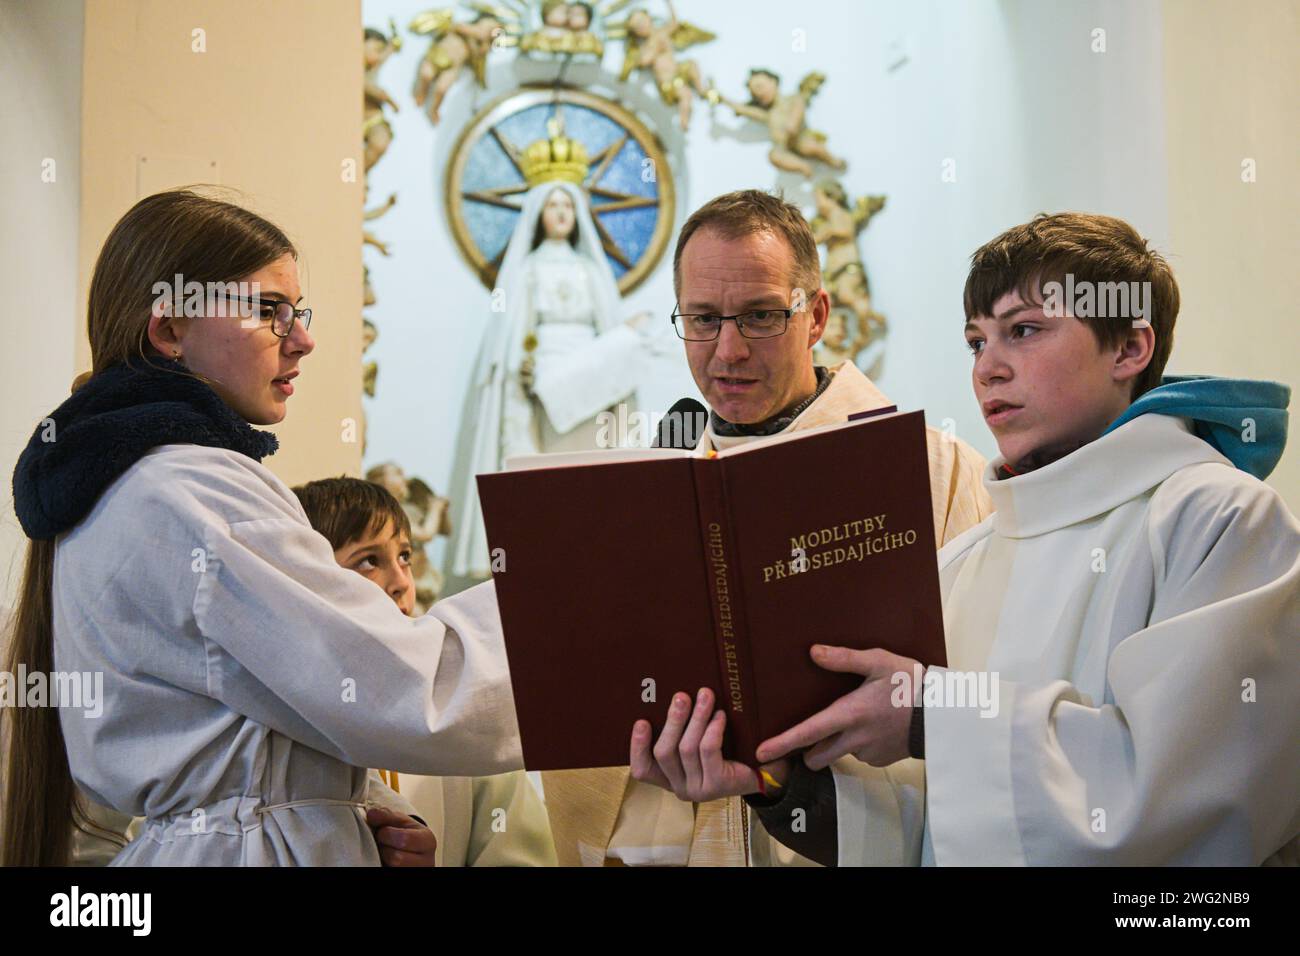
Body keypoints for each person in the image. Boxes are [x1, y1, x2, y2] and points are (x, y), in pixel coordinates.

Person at [632, 211, 1300, 866]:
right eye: (978, 342)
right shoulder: (968, 558)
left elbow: (1187, 802)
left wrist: (932, 714)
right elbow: (940, 833)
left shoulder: (1217, 521)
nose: (988, 370)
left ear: (1130, 348)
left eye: (1025, 331)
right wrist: (776, 785)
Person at [3, 190, 522, 866]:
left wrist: (356, 816)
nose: (302, 339)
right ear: (169, 330)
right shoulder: (193, 490)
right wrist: (563, 592)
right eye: (269, 313)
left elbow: (260, 734)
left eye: (297, 314)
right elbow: (403, 692)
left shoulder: (126, 485)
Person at [542, 189, 993, 866]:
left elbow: (975, 704)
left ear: (815, 316)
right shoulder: (645, 486)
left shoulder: (935, 472)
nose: (727, 351)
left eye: (759, 317)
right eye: (702, 319)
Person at [291, 477, 557, 866]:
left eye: (404, 556)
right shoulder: (285, 729)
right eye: (368, 561)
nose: (401, 582)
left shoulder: (466, 717)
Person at [447, 178, 651, 582]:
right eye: (553, 205)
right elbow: (516, 333)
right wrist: (523, 367)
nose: (560, 213)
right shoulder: (528, 269)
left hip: (591, 380)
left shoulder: (592, 271)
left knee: (589, 476)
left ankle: (591, 555)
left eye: (568, 206)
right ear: (539, 213)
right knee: (548, 475)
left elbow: (606, 325)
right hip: (545, 380)